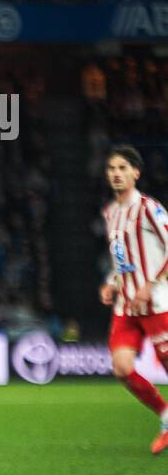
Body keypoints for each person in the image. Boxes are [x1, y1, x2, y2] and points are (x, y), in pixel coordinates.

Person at [99, 145, 168, 454]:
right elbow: (122, 259)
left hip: (156, 302)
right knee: (121, 367)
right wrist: (112, 283)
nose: (116, 173)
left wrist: (150, 284)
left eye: (123, 168)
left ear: (135, 173)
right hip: (126, 306)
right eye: (112, 168)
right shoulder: (110, 213)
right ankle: (166, 417)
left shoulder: (149, 209)